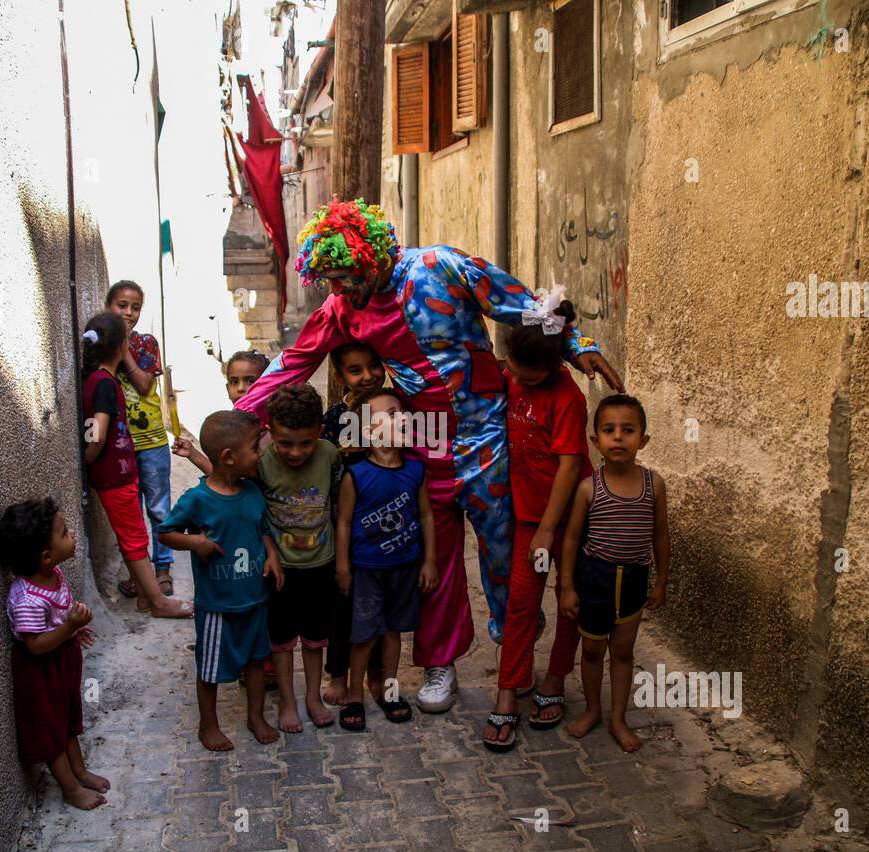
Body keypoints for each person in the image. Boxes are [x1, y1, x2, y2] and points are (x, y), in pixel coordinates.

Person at [237, 197, 622, 715]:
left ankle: (517, 649)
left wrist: (576, 342)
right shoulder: (342, 309)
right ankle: (442, 663)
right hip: (426, 442)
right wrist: (241, 418)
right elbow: (294, 361)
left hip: (489, 437)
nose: (338, 289)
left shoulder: (441, 266)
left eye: (345, 275)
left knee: (503, 555)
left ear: (371, 256)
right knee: (434, 563)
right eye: (328, 279)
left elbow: (519, 303)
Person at [483, 324, 593, 752]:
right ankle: (508, 690)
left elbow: (569, 467)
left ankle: (555, 679)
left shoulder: (568, 399)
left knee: (569, 601)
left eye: (532, 379)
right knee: (520, 604)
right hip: (528, 516)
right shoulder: (510, 374)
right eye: (517, 373)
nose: (522, 383)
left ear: (553, 367)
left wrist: (547, 529)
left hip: (569, 520)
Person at [157, 410, 284, 751]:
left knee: (256, 661)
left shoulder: (253, 493)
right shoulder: (197, 500)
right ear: (230, 457)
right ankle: (208, 725)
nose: (261, 455)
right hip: (217, 605)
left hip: (254, 598)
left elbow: (263, 529)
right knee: (210, 668)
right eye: (255, 448)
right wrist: (195, 542)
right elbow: (165, 532)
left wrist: (271, 554)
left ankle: (255, 717)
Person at [559, 395, 670, 752]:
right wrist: (567, 587)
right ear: (596, 442)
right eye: (609, 430)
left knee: (622, 651)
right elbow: (573, 539)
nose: (618, 438)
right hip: (596, 580)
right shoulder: (590, 488)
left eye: (628, 430)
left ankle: (617, 718)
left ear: (644, 439)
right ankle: (593, 709)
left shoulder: (654, 485)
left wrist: (662, 580)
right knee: (592, 650)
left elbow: (660, 534)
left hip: (635, 579)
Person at [0, 496, 109, 810]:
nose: (71, 533)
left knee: (69, 719)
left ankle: (80, 770)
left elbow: (57, 622)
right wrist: (68, 628)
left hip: (62, 660)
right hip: (41, 669)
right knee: (51, 732)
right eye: (64, 533)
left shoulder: (53, 575)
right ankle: (70, 788)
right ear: (46, 556)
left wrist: (72, 629)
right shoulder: (27, 599)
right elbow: (34, 644)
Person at [335, 388, 438, 731]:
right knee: (364, 635)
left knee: (394, 632)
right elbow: (345, 522)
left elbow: (425, 516)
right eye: (388, 415)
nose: (400, 419)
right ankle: (354, 696)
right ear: (366, 430)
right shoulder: (356, 475)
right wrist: (342, 566)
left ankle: (391, 691)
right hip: (367, 570)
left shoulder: (415, 470)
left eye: (401, 413)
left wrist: (429, 561)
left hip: (405, 568)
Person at [81, 312, 191, 618]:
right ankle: (159, 602)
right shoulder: (104, 383)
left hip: (113, 475)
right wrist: (90, 456)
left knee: (132, 537)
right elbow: (98, 429)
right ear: (121, 347)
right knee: (135, 540)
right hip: (116, 477)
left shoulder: (96, 379)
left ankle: (144, 596)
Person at [248, 384, 345, 732]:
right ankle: (288, 702)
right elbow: (254, 513)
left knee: (316, 638)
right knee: (282, 640)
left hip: (321, 563)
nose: (295, 452)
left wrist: (342, 561)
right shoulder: (260, 463)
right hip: (280, 569)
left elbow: (338, 506)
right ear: (270, 432)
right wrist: (268, 552)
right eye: (285, 442)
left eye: (305, 442)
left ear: (319, 432)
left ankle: (313, 697)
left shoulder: (330, 455)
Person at [319, 341, 386, 706]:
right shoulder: (334, 419)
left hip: (384, 528)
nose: (367, 376)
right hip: (343, 528)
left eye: (373, 365)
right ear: (340, 376)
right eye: (355, 370)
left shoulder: (396, 411)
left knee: (378, 605)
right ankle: (338, 674)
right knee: (341, 605)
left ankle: (376, 673)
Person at [109, 280, 178, 601]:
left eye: (135, 307)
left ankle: (163, 569)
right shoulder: (98, 343)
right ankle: (142, 576)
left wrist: (124, 353)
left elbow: (146, 386)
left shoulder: (146, 343)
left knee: (159, 508)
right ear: (109, 306)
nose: (129, 312)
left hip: (151, 443)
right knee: (131, 514)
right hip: (119, 447)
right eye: (122, 305)